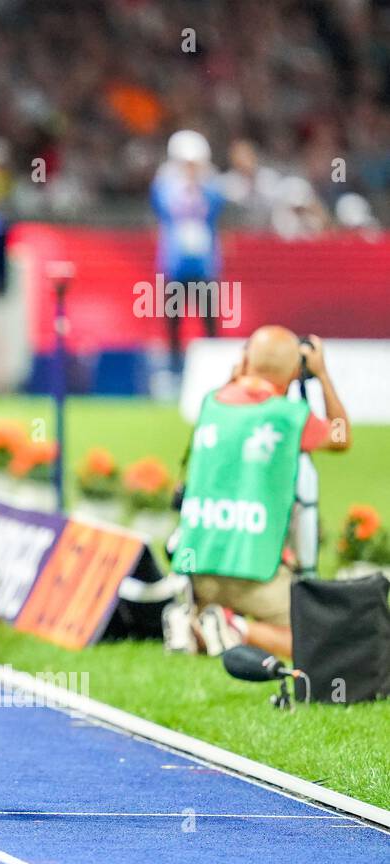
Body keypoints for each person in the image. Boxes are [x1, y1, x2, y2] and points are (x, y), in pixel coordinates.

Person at [165, 327, 350, 658]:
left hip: (200, 568)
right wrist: (321, 376)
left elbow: (239, 391)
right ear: (295, 372)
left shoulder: (212, 402)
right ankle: (235, 628)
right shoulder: (289, 416)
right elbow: (341, 436)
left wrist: (241, 371)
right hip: (254, 572)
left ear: (246, 359)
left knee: (218, 600)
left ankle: (195, 622)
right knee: (315, 639)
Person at [150, 130, 226, 373]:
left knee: (209, 319)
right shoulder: (167, 185)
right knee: (173, 321)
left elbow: (215, 205)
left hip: (204, 266)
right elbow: (163, 205)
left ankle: (213, 369)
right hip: (175, 265)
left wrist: (200, 182)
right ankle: (175, 369)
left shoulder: (210, 186)